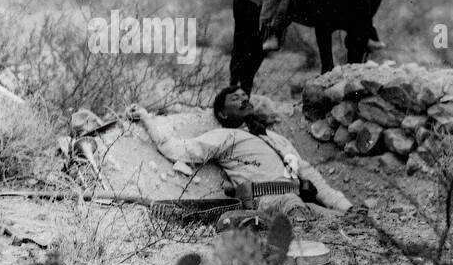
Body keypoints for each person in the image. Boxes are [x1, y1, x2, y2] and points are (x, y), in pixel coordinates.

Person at [126, 87, 353, 218]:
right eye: (235, 98)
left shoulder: (275, 139)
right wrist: (146, 118)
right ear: (223, 115)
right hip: (271, 201)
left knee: (346, 222)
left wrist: (344, 206)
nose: (244, 99)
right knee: (300, 216)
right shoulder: (225, 136)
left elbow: (309, 174)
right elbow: (174, 148)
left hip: (298, 200)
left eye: (245, 96)